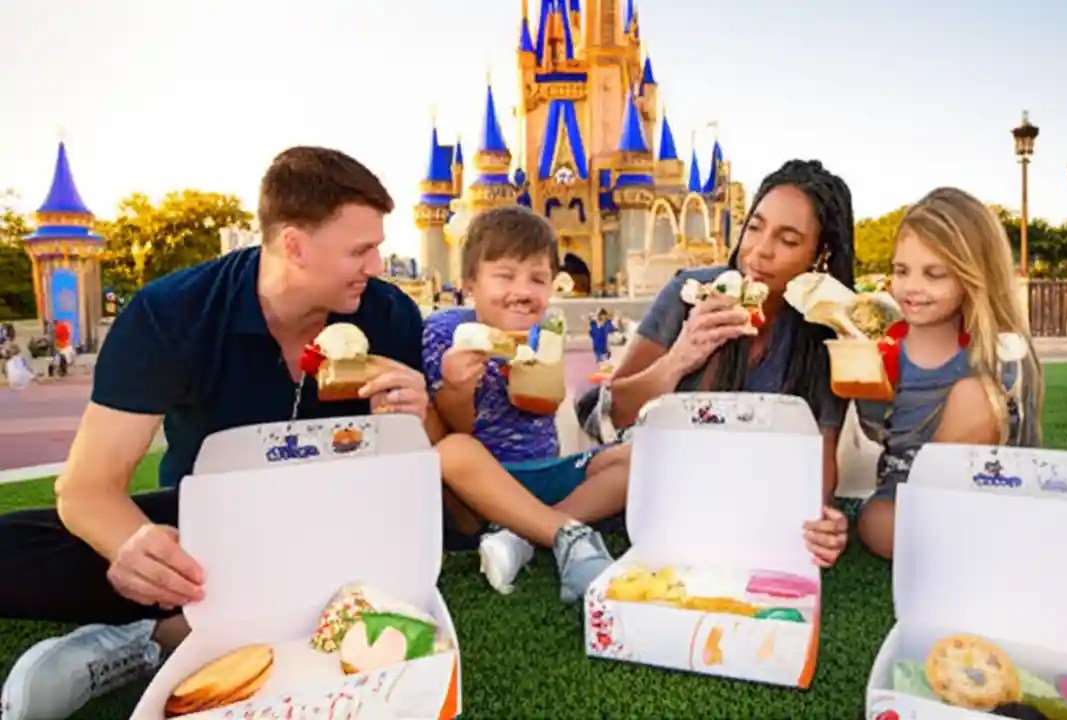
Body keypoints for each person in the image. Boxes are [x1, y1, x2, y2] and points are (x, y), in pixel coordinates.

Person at [0, 146, 430, 720]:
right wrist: (130, 547)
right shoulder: (172, 315)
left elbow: (409, 474)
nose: (377, 265)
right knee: (13, 547)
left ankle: (147, 642)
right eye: (361, 250)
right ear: (295, 246)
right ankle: (179, 624)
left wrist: (415, 414)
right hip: (206, 540)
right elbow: (86, 488)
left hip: (334, 526)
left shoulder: (387, 315)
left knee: (408, 540)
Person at [592, 159, 857, 567]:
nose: (759, 251)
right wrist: (680, 358)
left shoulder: (824, 333)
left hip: (747, 511)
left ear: (819, 256)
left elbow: (819, 469)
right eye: (755, 227)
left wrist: (823, 523)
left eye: (787, 240)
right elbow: (610, 418)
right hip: (653, 492)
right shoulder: (689, 292)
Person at [420, 205, 622, 599]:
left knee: (634, 458)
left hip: (543, 471)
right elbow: (456, 427)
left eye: (538, 279)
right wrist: (457, 387)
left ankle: (525, 532)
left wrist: (531, 372)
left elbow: (543, 408)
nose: (524, 292)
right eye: (505, 276)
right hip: (482, 485)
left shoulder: (542, 332)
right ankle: (552, 530)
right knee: (452, 451)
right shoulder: (445, 331)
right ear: (470, 285)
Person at [853, 187, 1044, 560]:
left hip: (976, 493)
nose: (912, 288)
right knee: (874, 521)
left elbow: (1018, 448)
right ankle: (954, 544)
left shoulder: (998, 354)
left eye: (934, 274)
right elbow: (874, 437)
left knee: (975, 397)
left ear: (974, 276)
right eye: (901, 271)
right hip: (902, 499)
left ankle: (960, 540)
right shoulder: (883, 347)